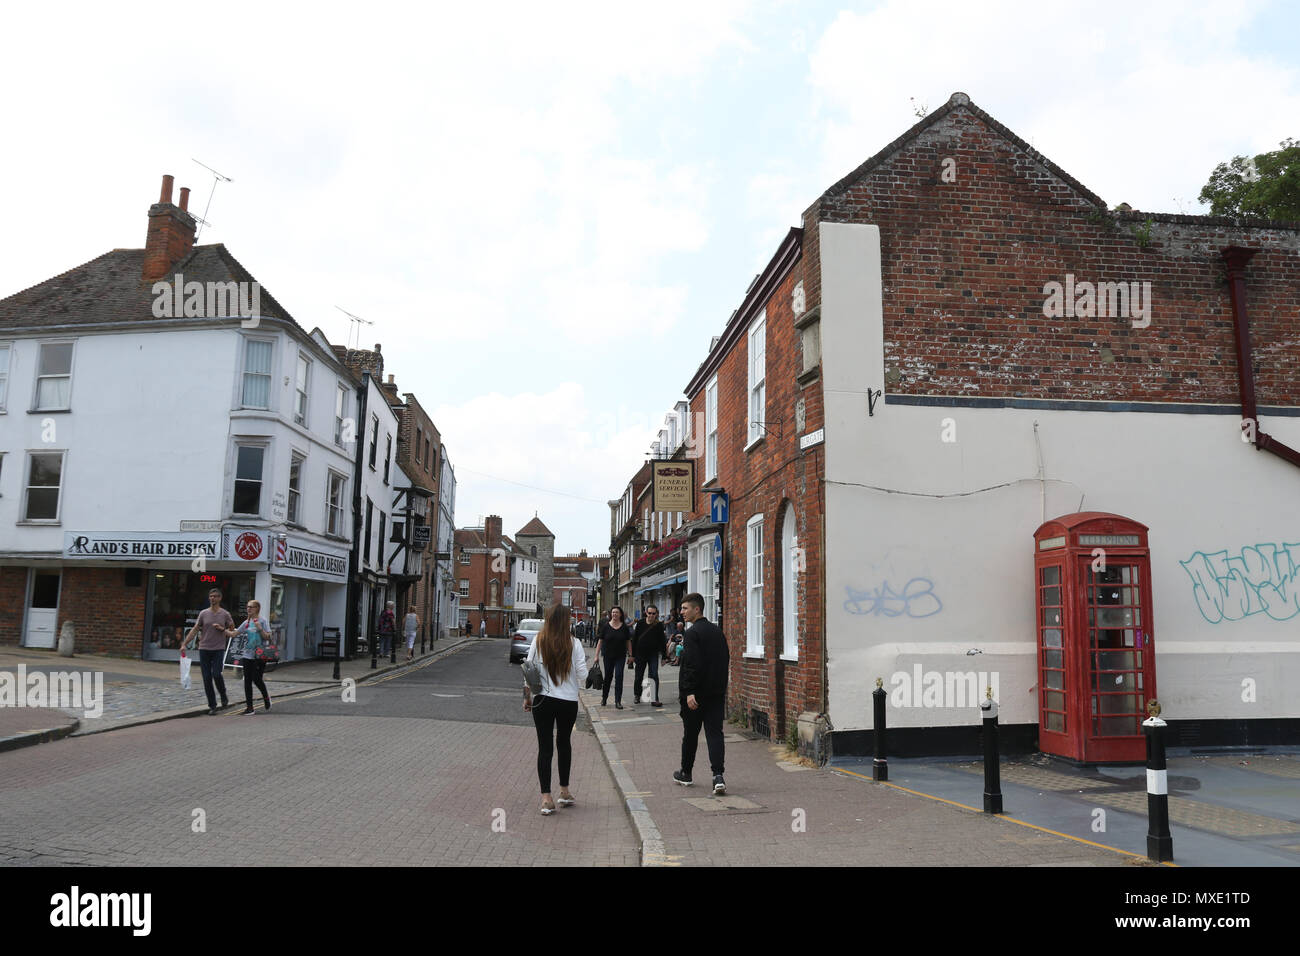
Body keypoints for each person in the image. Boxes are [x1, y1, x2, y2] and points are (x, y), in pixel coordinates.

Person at [522, 603, 588, 815]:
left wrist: (527, 697)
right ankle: (564, 791)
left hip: (542, 700)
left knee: (545, 748)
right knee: (564, 743)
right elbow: (583, 675)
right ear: (566, 621)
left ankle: (546, 798)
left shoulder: (539, 641)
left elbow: (528, 669)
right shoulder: (574, 643)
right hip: (568, 701)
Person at [674, 592, 729, 795]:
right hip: (715, 694)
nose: (682, 612)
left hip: (695, 697)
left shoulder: (692, 633)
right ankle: (718, 776)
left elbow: (691, 665)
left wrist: (689, 692)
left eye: (685, 608)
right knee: (715, 734)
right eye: (681, 609)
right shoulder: (717, 632)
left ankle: (686, 773)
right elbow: (725, 661)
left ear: (697, 609)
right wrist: (721, 688)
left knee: (690, 735)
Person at [179, 588, 233, 715]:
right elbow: (195, 629)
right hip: (204, 648)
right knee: (207, 678)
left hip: (218, 649)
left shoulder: (225, 614)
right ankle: (212, 705)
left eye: (215, 596)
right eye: (211, 596)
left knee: (216, 674)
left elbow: (232, 629)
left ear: (220, 598)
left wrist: (222, 629)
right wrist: (185, 643)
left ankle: (223, 694)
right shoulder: (203, 613)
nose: (212, 598)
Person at [227, 598, 273, 715]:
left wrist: (260, 628)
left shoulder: (263, 621)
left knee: (257, 679)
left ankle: (266, 697)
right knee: (247, 681)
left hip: (259, 655)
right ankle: (250, 708)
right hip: (247, 655)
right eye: (247, 607)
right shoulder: (246, 623)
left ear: (257, 608)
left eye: (251, 607)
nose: (248, 609)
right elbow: (234, 634)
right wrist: (222, 630)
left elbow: (268, 637)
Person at [592, 606, 631, 708]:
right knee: (608, 677)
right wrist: (596, 656)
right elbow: (600, 641)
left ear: (620, 614)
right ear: (611, 614)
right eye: (613, 612)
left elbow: (628, 642)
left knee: (619, 676)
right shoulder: (606, 627)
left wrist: (631, 655)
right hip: (608, 656)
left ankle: (618, 701)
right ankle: (604, 698)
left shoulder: (624, 627)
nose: (614, 614)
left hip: (620, 656)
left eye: (617, 612)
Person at [632, 604, 667, 707]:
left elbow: (662, 642)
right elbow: (635, 639)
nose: (651, 615)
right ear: (646, 613)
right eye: (649, 613)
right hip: (640, 654)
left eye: (653, 613)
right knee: (639, 676)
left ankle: (654, 698)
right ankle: (637, 695)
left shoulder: (659, 625)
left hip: (653, 655)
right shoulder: (640, 623)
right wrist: (632, 655)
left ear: (656, 614)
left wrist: (664, 657)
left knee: (654, 675)